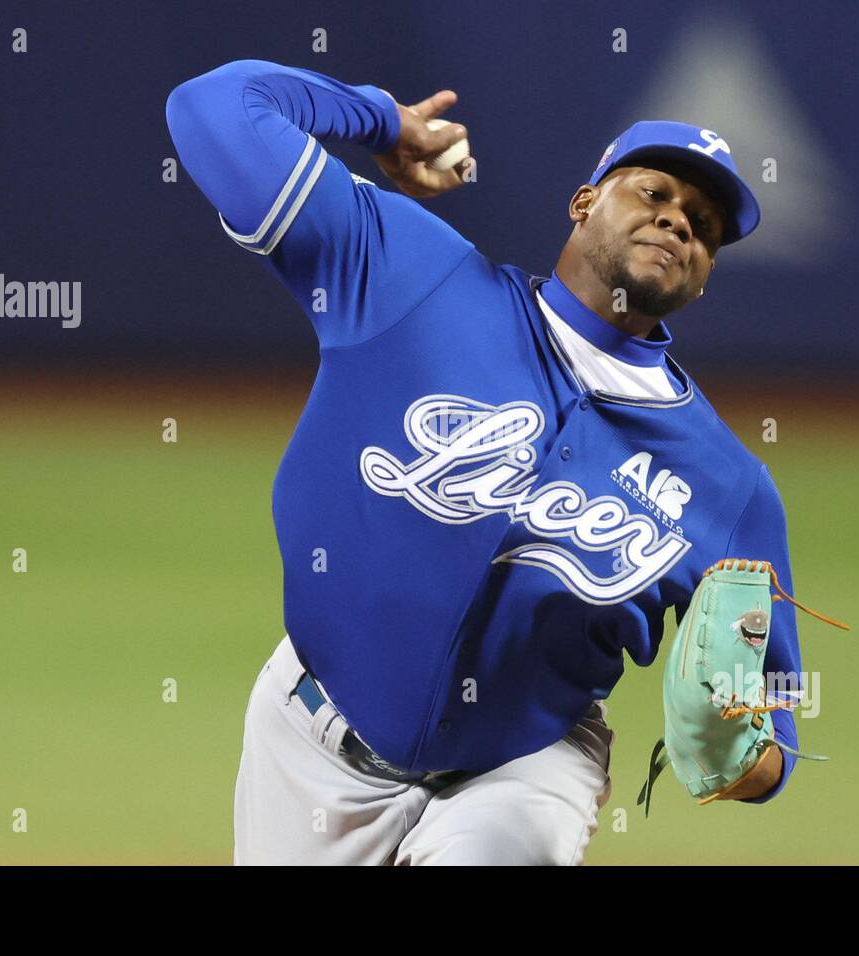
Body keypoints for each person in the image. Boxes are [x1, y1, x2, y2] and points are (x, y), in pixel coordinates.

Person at [165, 58, 801, 866]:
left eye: (704, 224)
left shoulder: (733, 487)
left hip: (525, 771)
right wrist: (385, 122)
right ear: (584, 203)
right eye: (655, 193)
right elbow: (213, 106)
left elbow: (777, 710)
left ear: (705, 276)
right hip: (309, 743)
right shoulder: (411, 278)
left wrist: (744, 755)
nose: (679, 222)